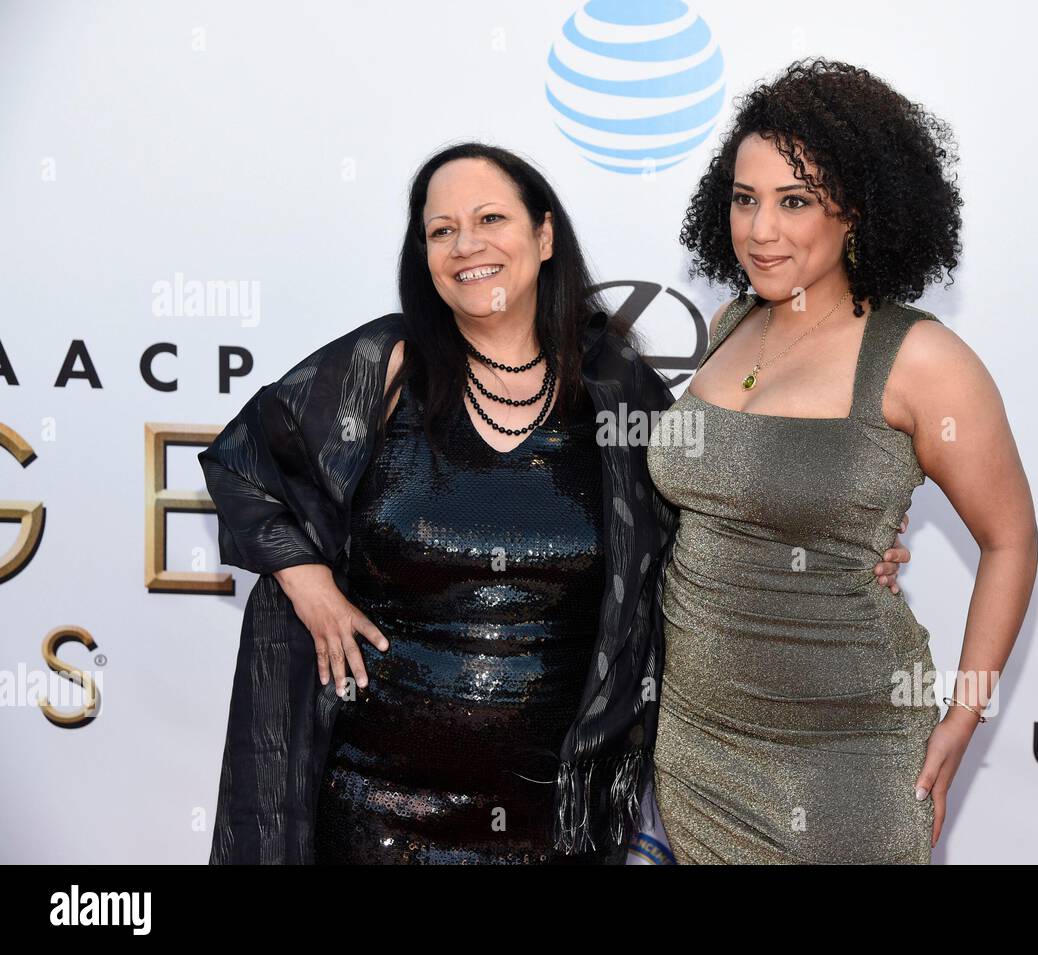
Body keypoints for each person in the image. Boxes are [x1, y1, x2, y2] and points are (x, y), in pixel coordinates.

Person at [200, 140, 917, 864]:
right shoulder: (383, 365)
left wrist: (837, 544)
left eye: (489, 219)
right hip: (370, 807)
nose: (465, 245)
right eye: (441, 230)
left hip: (550, 825)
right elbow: (245, 461)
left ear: (544, 236)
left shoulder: (616, 389)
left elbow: (699, 519)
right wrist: (306, 579)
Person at [647, 58, 1038, 863]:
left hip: (846, 761)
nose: (761, 231)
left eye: (795, 203)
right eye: (745, 200)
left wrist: (962, 716)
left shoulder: (921, 360)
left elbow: (1011, 541)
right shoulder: (728, 324)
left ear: (856, 211)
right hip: (694, 748)